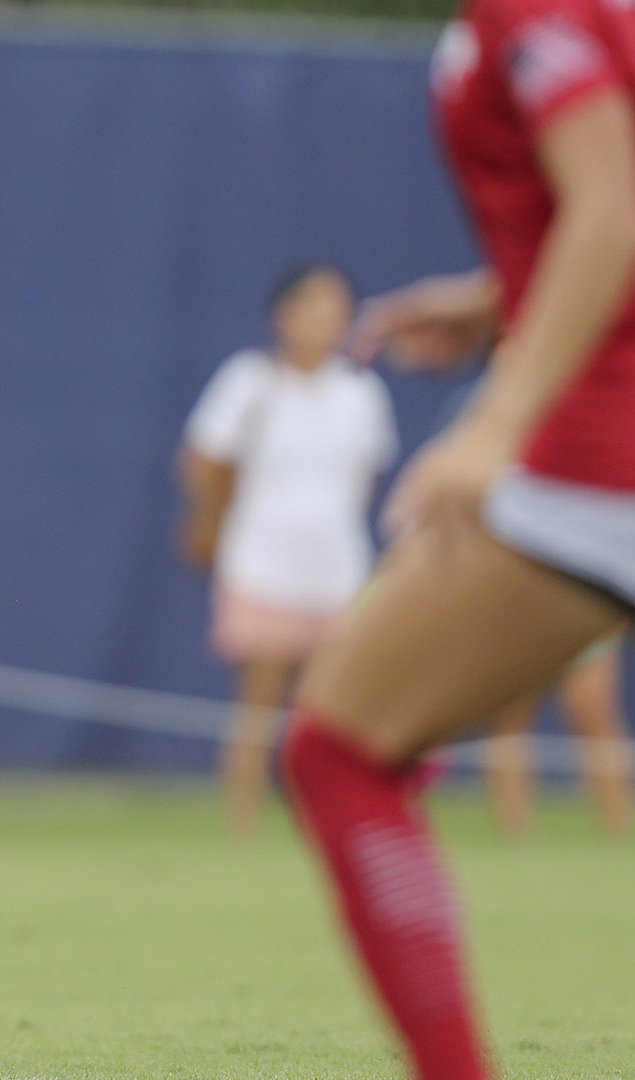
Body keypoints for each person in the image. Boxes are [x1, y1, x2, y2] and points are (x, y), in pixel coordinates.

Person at [278, 0, 635, 1070]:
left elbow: (611, 208)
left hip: (601, 460)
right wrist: (498, 298)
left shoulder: (533, 12)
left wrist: (499, 420)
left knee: (341, 753)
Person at [177, 265, 397, 835]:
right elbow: (204, 459)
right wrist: (209, 525)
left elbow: (367, 478)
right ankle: (243, 825)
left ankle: (324, 826)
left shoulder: (361, 393)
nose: (324, 322)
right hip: (261, 565)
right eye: (312, 307)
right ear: (284, 316)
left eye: (335, 310)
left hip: (339, 573)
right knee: (259, 704)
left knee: (329, 716)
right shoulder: (249, 381)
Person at [483, 631, 630, 835]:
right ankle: (515, 834)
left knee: (597, 725)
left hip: (583, 630)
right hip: (526, 630)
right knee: (510, 728)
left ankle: (617, 831)